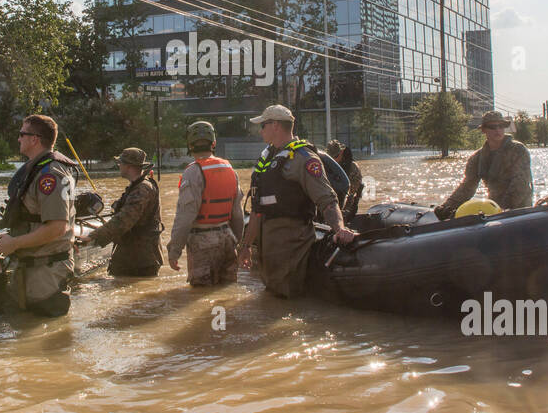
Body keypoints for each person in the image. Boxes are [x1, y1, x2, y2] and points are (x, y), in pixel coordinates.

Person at [238, 105, 356, 297]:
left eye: (263, 125)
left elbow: (327, 199)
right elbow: (258, 210)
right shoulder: (268, 157)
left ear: (275, 126)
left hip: (291, 247)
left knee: (284, 303)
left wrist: (339, 228)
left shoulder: (304, 159)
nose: (260, 130)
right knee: (270, 300)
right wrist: (246, 247)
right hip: (269, 250)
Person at [0, 114, 78, 317]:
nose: (18, 138)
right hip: (28, 270)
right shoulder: (37, 170)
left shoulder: (51, 175)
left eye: (22, 134)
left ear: (35, 139)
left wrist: (13, 244)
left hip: (46, 276)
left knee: (48, 339)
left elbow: (57, 227)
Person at [167, 121, 243, 287]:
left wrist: (175, 251)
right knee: (227, 293)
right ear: (213, 143)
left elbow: (185, 217)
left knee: (199, 295)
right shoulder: (230, 168)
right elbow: (238, 214)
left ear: (189, 145)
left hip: (202, 242)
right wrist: (241, 245)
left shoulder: (192, 172)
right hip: (228, 239)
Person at [434, 111, 533, 219]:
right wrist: (447, 206)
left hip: (519, 210)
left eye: (501, 126)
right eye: (493, 127)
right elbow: (467, 187)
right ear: (484, 130)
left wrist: (503, 209)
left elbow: (520, 184)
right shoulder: (477, 158)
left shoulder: (518, 150)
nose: (498, 130)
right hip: (493, 209)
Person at [84, 147, 163, 277]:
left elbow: (124, 220)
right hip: (135, 256)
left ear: (128, 166)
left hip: (140, 260)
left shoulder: (142, 189)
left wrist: (93, 236)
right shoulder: (137, 186)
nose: (119, 166)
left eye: (120, 163)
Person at [327, 139, 365, 221]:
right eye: (331, 157)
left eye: (336, 156)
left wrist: (341, 213)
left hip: (346, 206)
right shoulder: (326, 164)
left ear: (341, 153)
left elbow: (351, 194)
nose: (334, 159)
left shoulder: (352, 168)